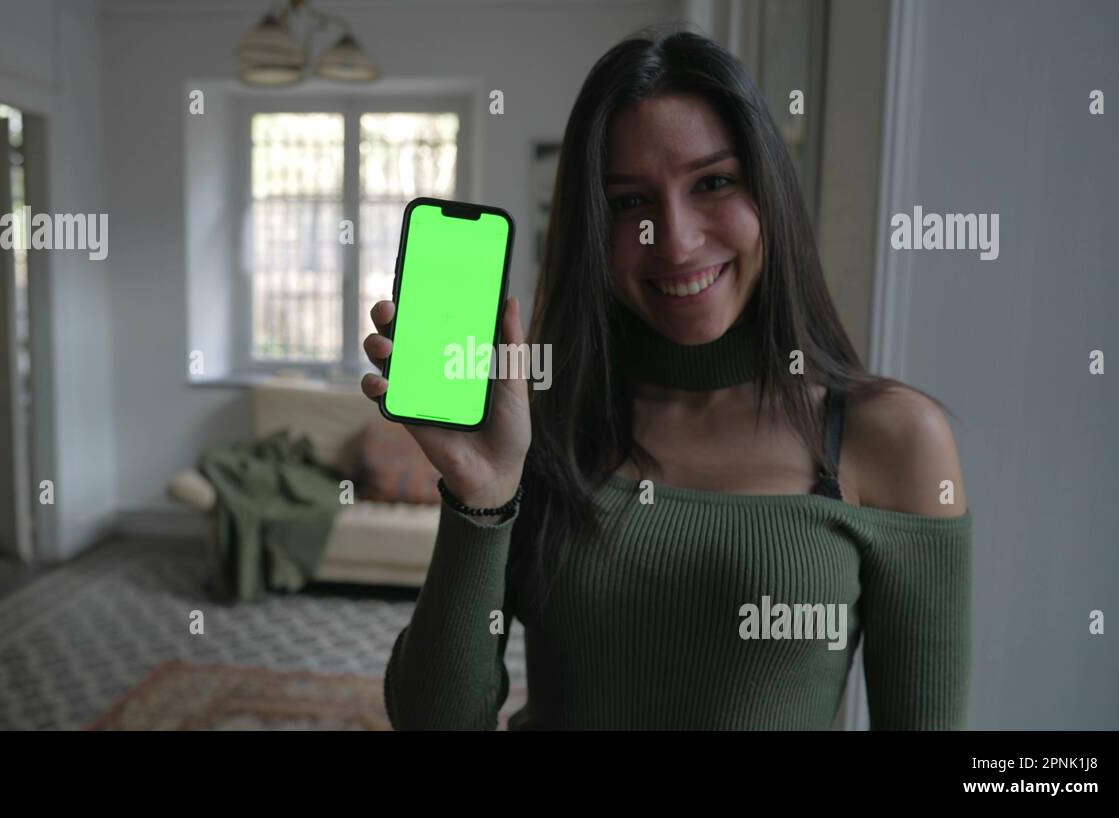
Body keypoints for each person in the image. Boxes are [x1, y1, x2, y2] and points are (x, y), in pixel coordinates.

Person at [362, 27, 972, 730]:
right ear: (592, 223)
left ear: (768, 192)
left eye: (713, 182)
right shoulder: (538, 423)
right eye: (628, 202)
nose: (675, 239)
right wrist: (480, 496)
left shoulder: (892, 438)